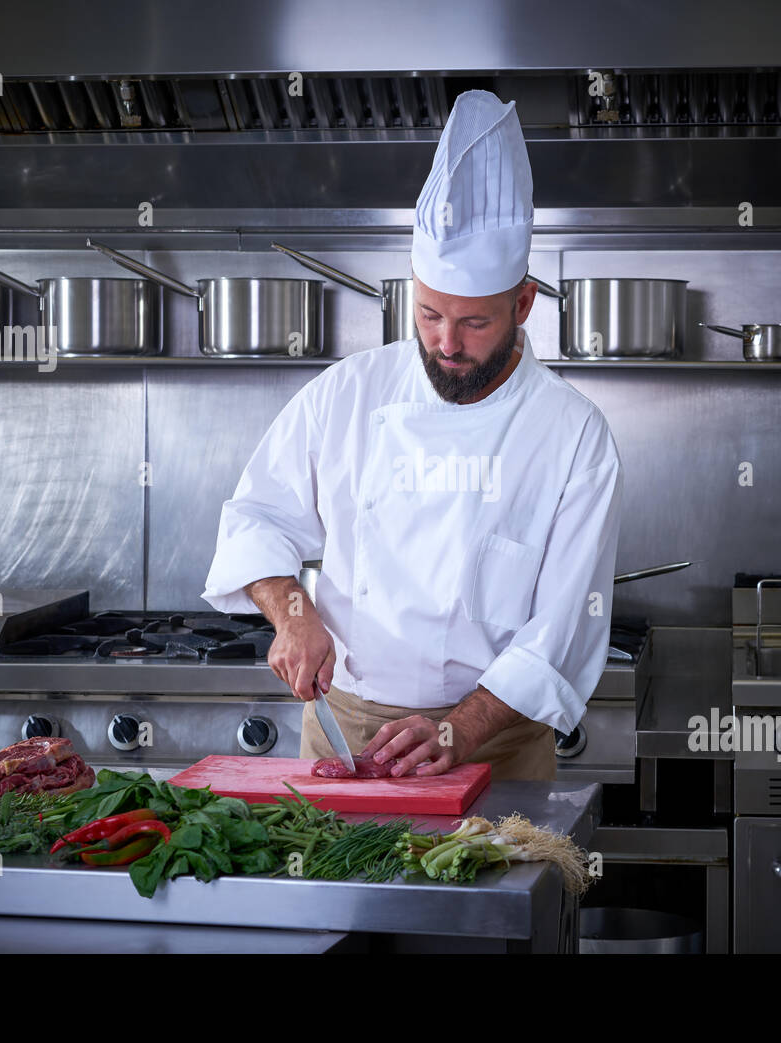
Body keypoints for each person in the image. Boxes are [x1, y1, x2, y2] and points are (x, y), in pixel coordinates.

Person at [202, 90, 623, 780]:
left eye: (475, 324)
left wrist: (457, 731)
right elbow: (256, 517)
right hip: (348, 724)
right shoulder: (348, 393)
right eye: (428, 315)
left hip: (494, 739)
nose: (446, 345)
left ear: (522, 304)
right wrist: (292, 611)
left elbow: (562, 632)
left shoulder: (573, 436)